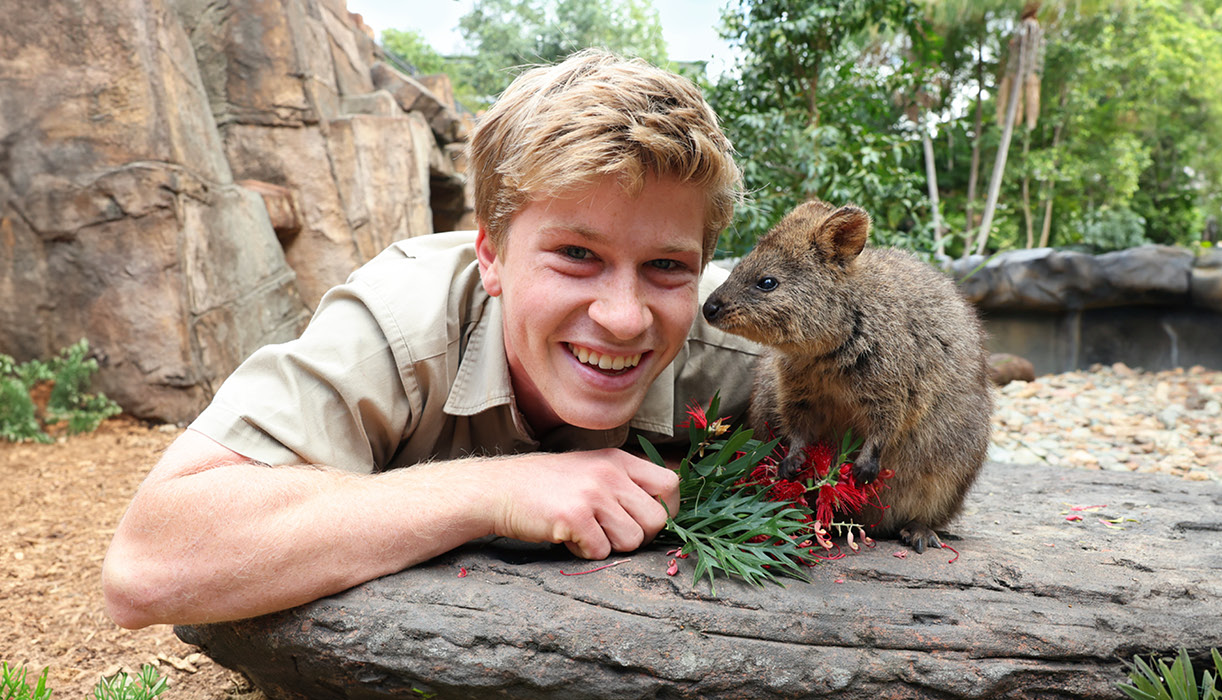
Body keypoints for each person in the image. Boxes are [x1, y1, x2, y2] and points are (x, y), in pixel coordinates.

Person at [101, 50, 762, 627]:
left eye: (667, 266)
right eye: (576, 255)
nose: (624, 317)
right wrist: (495, 491)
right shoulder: (398, 324)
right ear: (492, 256)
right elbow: (146, 566)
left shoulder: (746, 349)